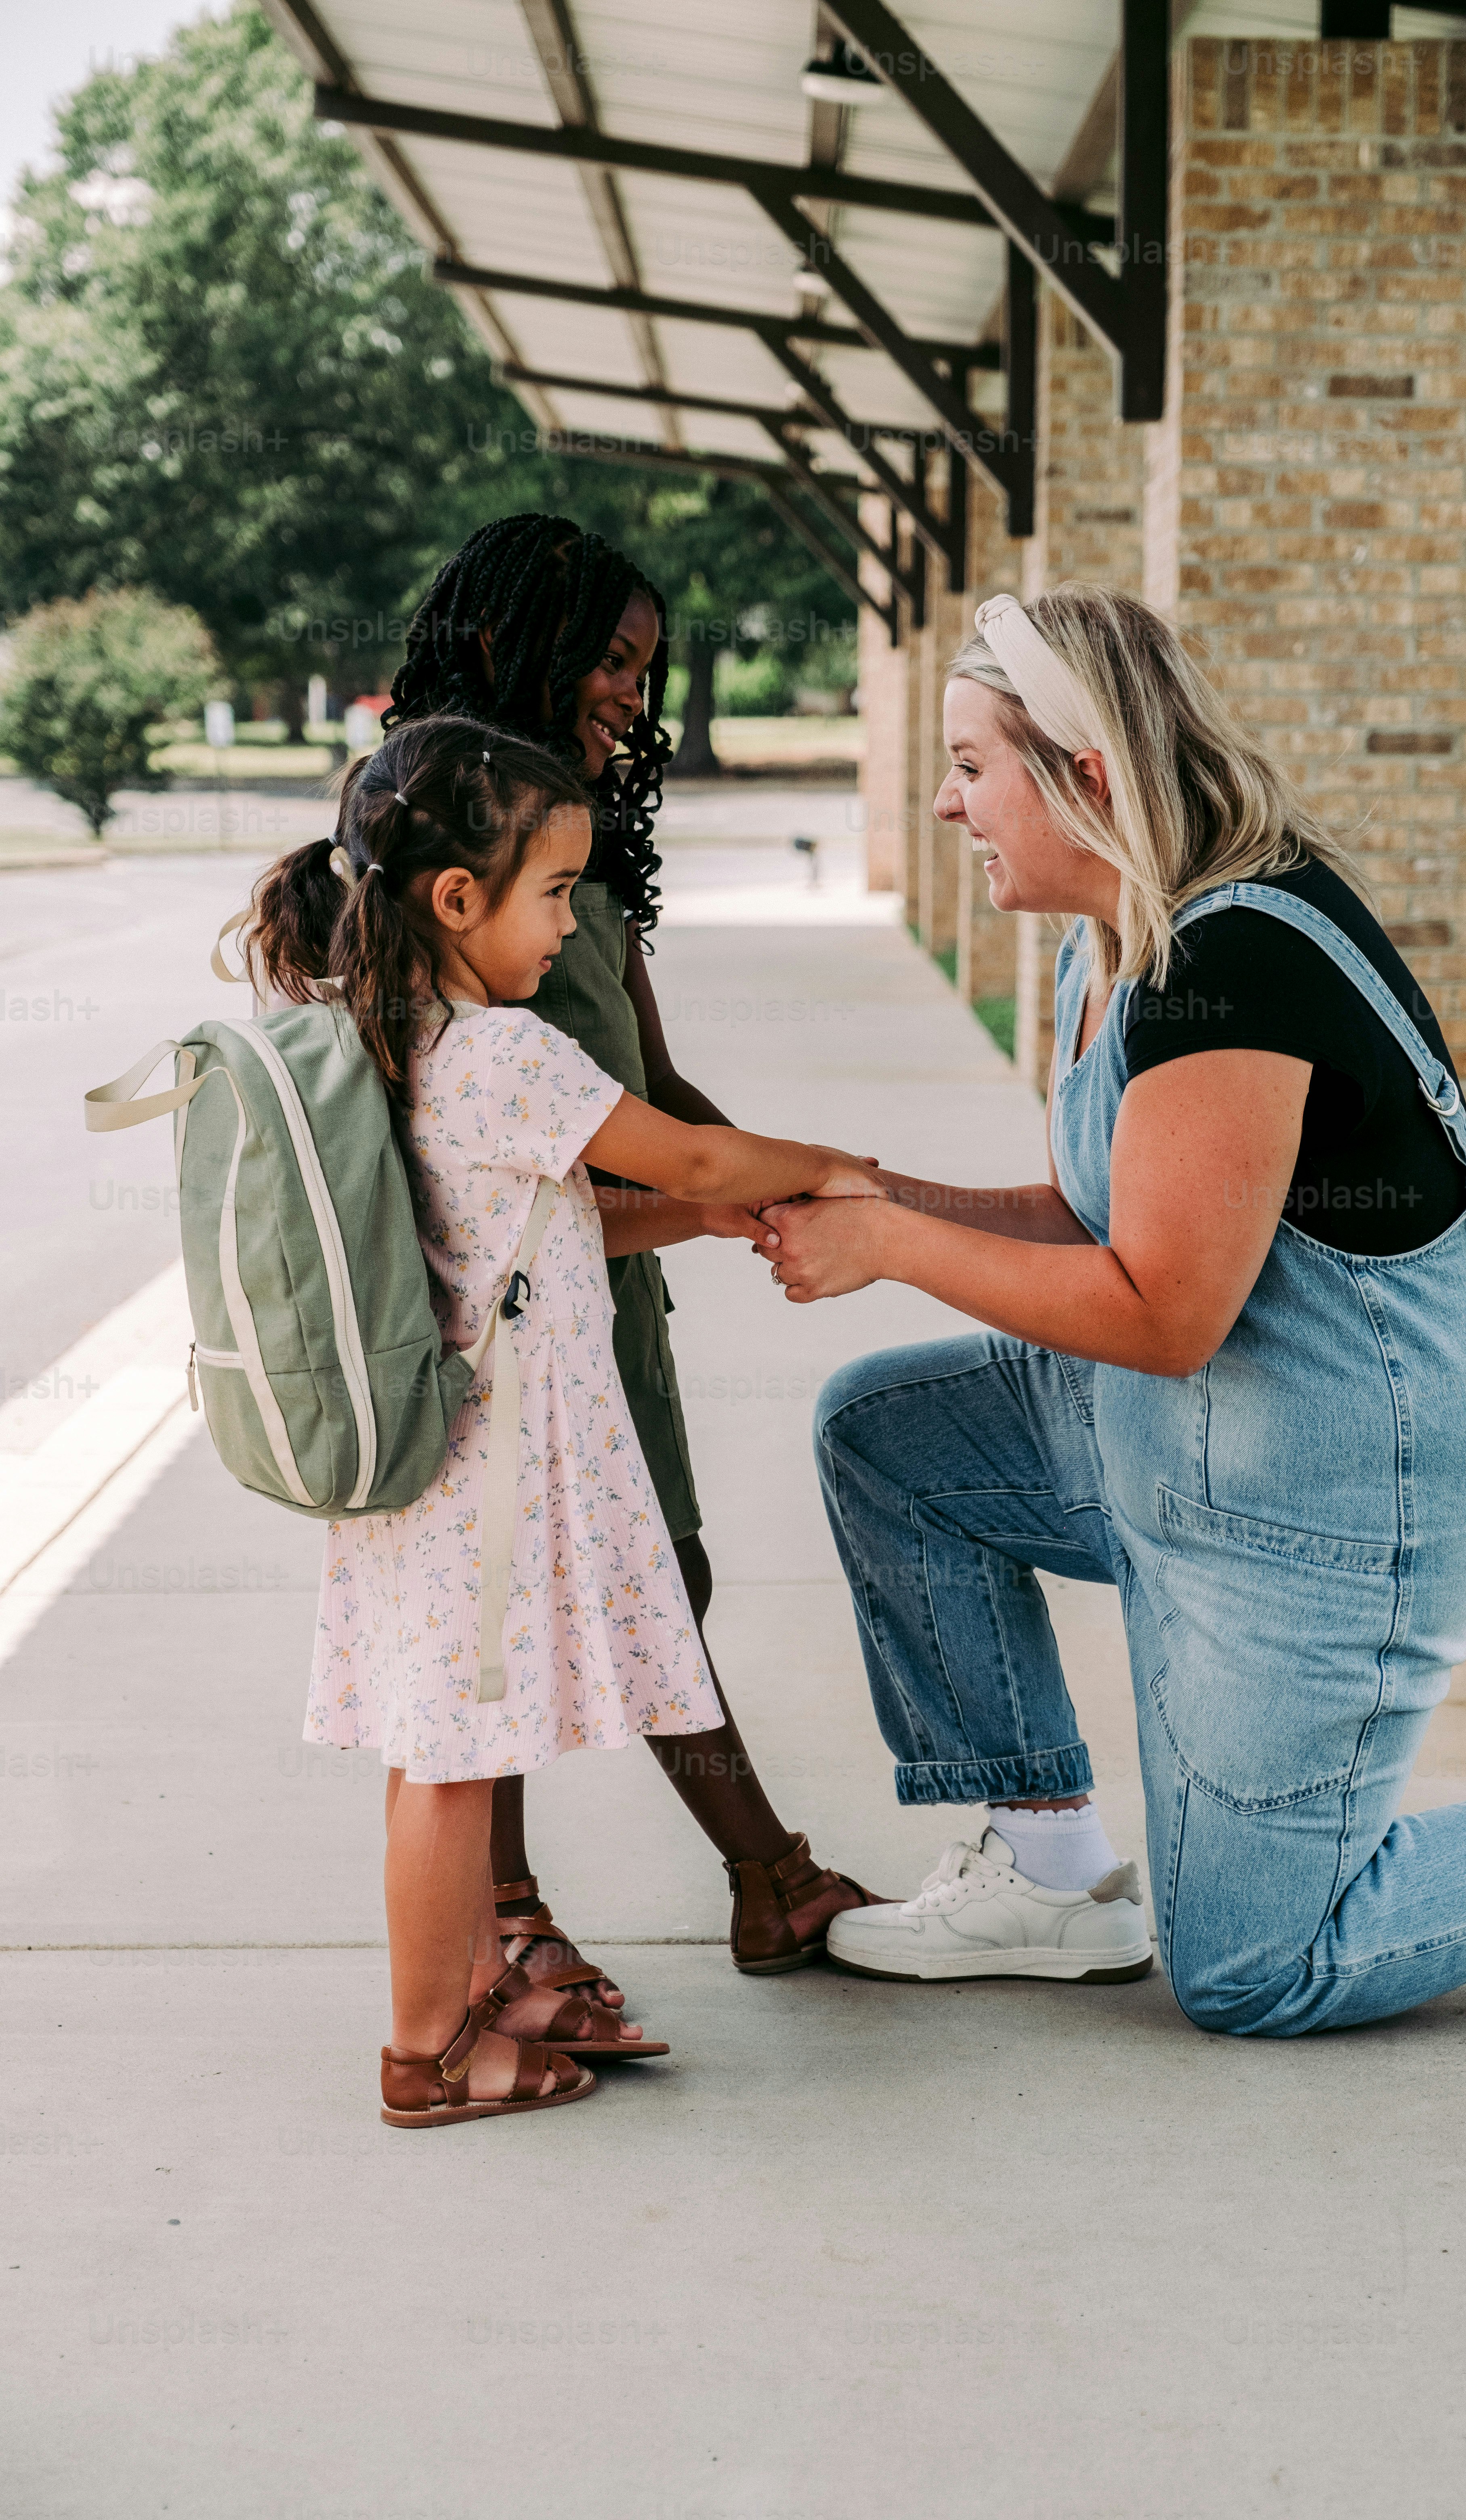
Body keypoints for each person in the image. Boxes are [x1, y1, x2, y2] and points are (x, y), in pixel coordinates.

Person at [753, 584, 1466, 2035]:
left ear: (1090, 776)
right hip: (1199, 1440)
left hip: (1340, 1496)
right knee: (890, 1435)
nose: (945, 804)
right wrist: (878, 1196)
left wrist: (891, 1244)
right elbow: (1104, 1222)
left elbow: (1167, 1307)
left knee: (1261, 1966)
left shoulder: (1229, 960)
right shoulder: (1116, 934)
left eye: (971, 764)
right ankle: (1050, 1876)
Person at [244, 714, 886, 2122]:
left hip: (440, 1469)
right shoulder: (505, 1056)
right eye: (553, 895)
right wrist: (834, 1168)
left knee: (456, 1744)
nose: (568, 926)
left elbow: (549, 1217)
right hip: (485, 1480)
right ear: (456, 899)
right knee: (454, 1760)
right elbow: (692, 1143)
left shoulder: (399, 1032)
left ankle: (479, 1988)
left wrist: (711, 1217)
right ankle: (430, 2055)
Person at [385, 515, 883, 1993]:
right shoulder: (431, 851)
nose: (631, 693)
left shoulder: (579, 860)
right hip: (505, 1303)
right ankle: (565, 1908)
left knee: (663, 1573)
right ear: (504, 646)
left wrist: (783, 1189)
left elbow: (662, 1099)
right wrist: (784, 1182)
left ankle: (741, 1886)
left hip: (615, 1284)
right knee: (521, 1603)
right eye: (609, 660)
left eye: (644, 668)